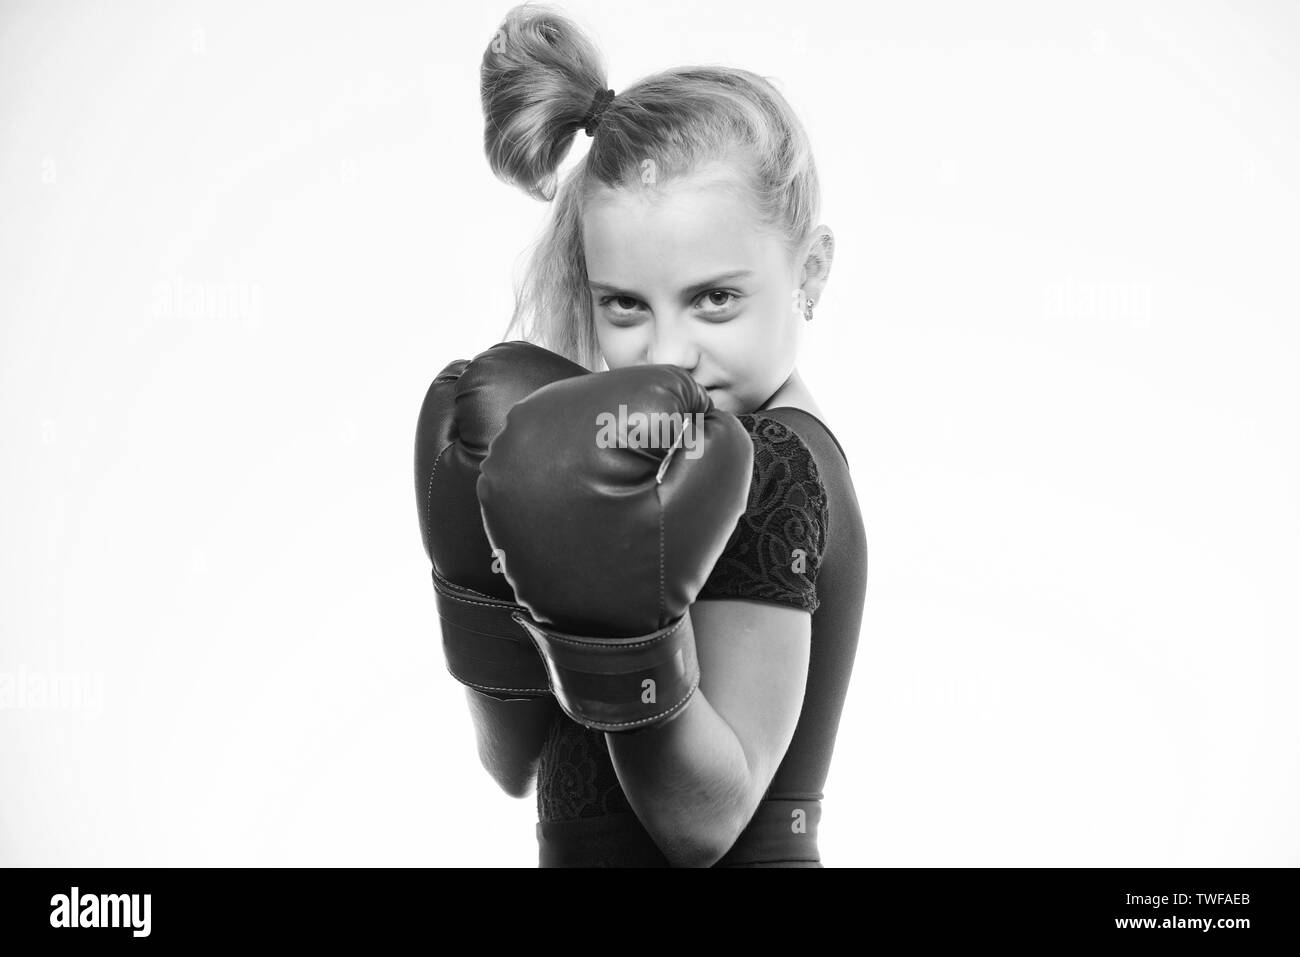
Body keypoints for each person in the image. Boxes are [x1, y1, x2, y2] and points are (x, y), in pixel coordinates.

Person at [417, 3, 867, 867]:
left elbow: (706, 824)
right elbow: (513, 764)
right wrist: (474, 588)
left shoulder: (771, 464)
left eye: (715, 299)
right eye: (625, 303)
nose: (669, 354)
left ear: (809, 271)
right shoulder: (623, 463)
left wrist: (615, 628)